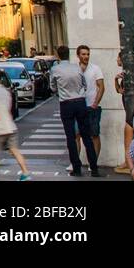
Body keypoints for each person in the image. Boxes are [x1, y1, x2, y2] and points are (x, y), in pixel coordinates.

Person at [48, 44, 99, 177]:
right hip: (80, 102)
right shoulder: (77, 68)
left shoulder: (55, 69)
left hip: (66, 103)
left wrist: (61, 90)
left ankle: (76, 168)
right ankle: (94, 168)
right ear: (69, 54)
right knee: (86, 136)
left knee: (71, 137)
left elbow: (52, 88)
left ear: (58, 55)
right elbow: (84, 85)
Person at [76, 44, 104, 162]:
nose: (86, 56)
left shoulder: (95, 68)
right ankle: (75, 162)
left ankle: (93, 163)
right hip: (78, 106)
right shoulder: (74, 69)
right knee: (76, 135)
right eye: (83, 54)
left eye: (88, 54)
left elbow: (101, 87)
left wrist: (95, 103)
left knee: (94, 135)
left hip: (92, 106)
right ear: (78, 55)